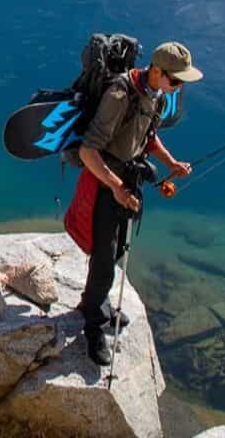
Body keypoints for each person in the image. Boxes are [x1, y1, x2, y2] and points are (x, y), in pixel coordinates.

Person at [76, 41, 202, 366]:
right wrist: (116, 187)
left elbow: (147, 134)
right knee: (104, 257)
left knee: (119, 248)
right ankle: (93, 325)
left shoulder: (156, 94)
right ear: (157, 71)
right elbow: (88, 151)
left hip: (128, 180)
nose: (179, 86)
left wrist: (171, 162)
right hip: (107, 182)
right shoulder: (120, 95)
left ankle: (94, 301)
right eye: (176, 80)